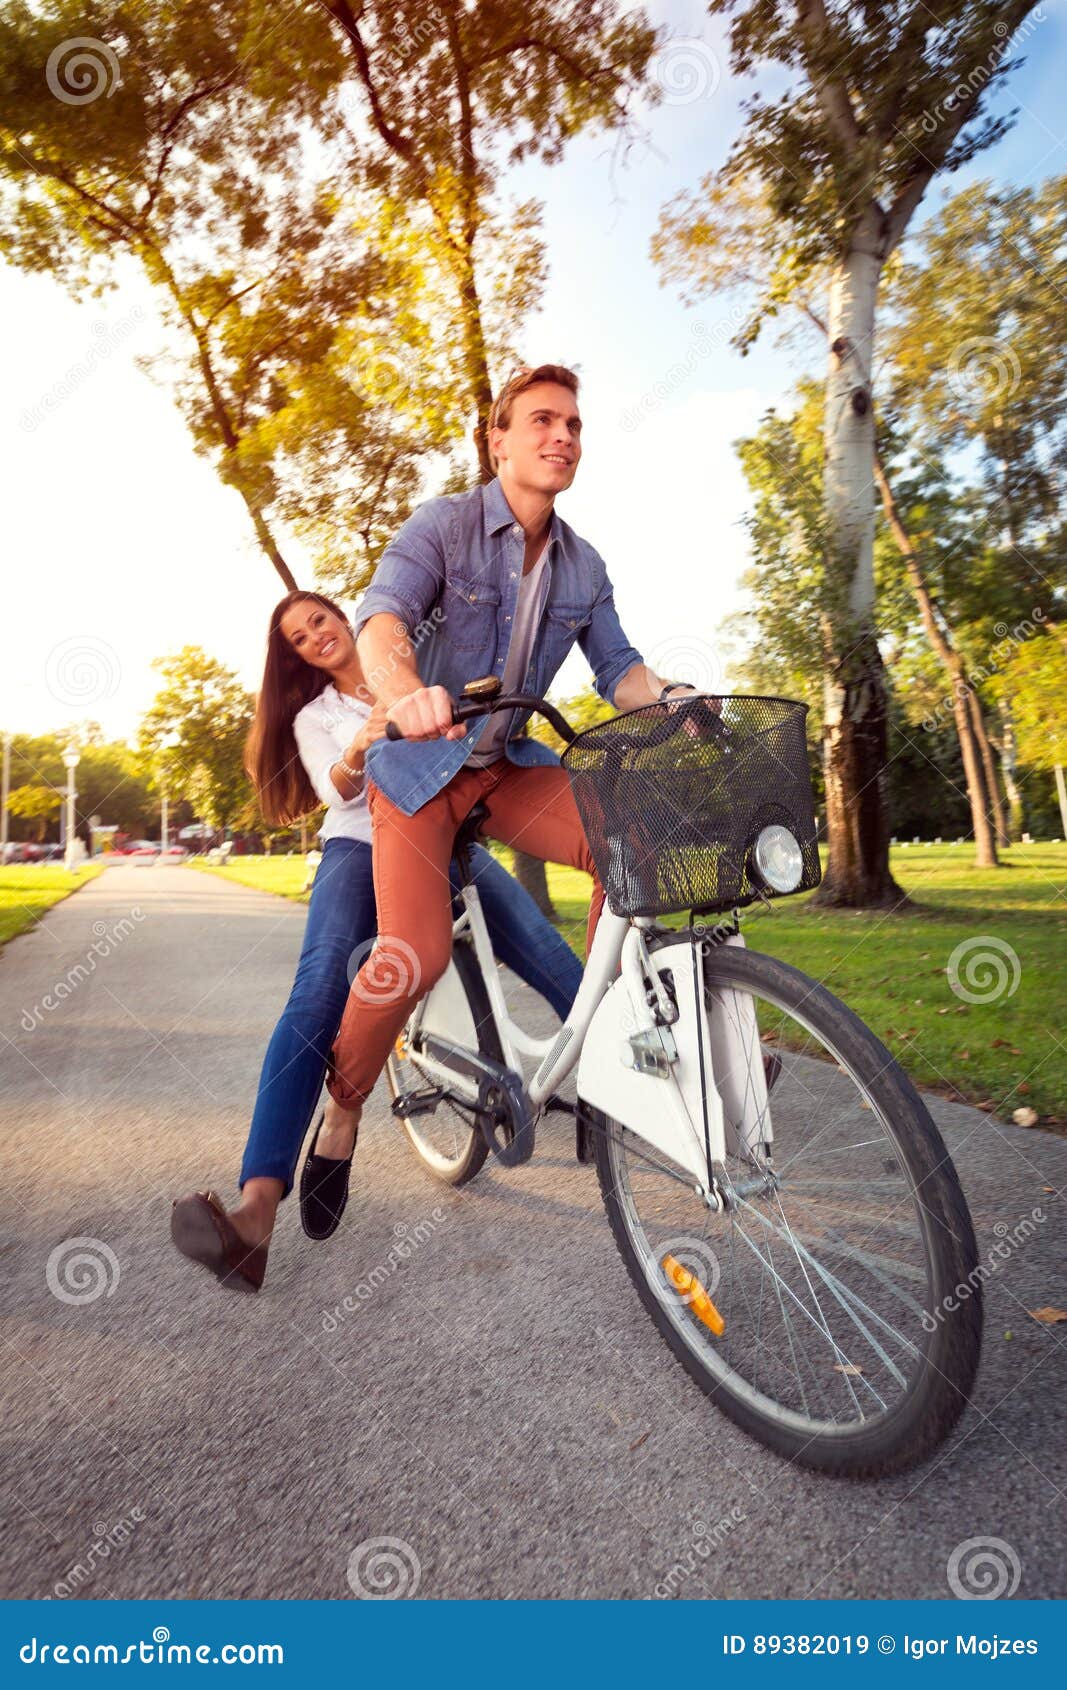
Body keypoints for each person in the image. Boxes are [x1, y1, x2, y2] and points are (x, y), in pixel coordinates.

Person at [319, 363, 697, 1157]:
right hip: (421, 775)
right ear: (498, 443)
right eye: (542, 421)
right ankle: (345, 1104)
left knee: (628, 840)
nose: (562, 436)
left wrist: (674, 697)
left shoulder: (583, 566)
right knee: (414, 956)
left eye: (573, 425)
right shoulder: (442, 526)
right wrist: (406, 692)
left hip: (504, 768)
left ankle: (613, 1046)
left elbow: (619, 669)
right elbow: (381, 621)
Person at [169, 589, 584, 1291]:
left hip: (444, 839)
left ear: (344, 617)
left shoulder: (411, 665)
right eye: (299, 639)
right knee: (322, 987)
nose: (315, 638)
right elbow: (336, 793)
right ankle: (256, 1210)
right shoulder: (315, 716)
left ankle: (667, 1069)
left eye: (319, 621)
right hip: (358, 852)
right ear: (297, 657)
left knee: (544, 949)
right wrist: (363, 739)